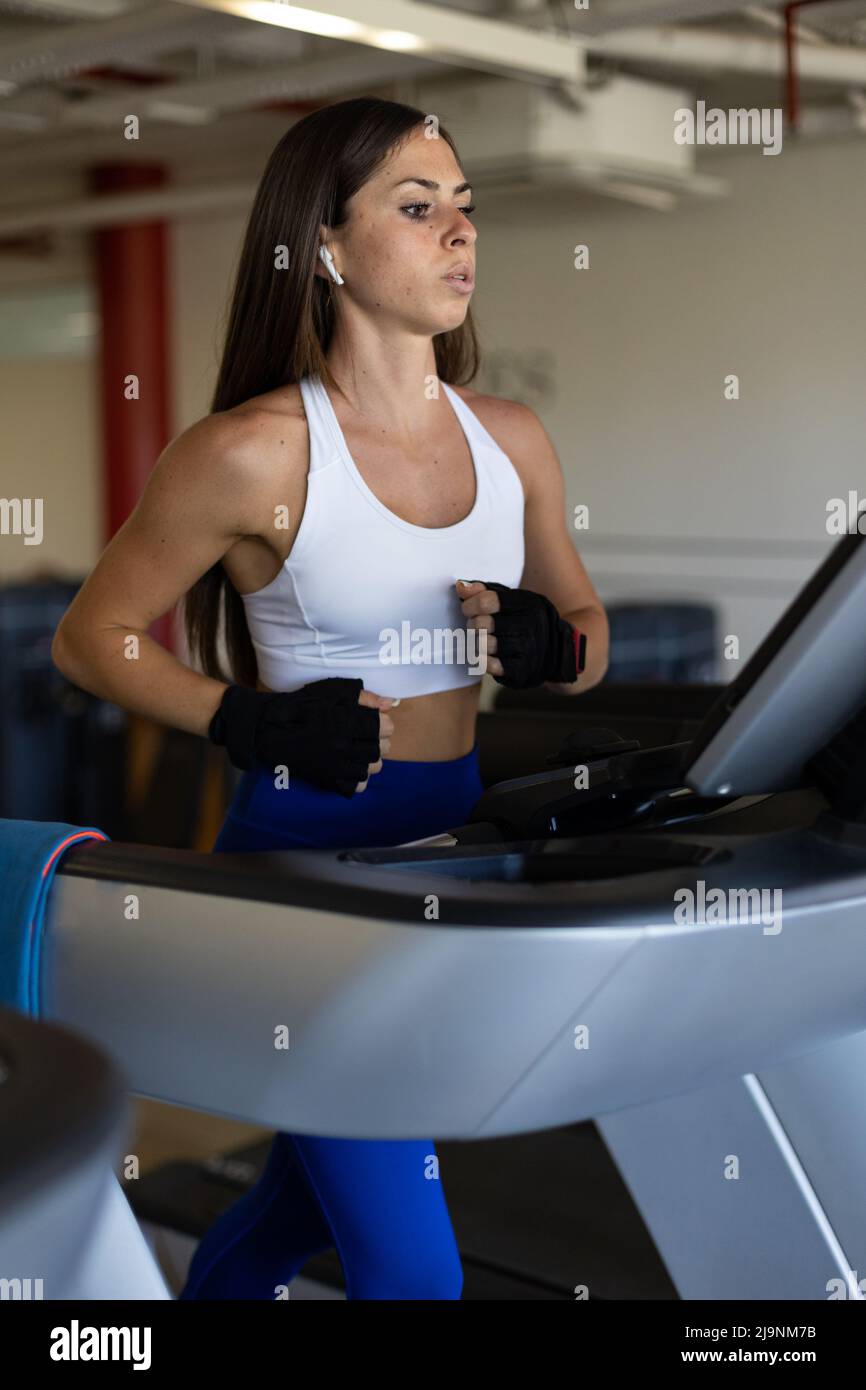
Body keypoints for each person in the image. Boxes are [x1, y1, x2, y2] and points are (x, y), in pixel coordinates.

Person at [52, 94, 609, 1300]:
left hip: (449, 860)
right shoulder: (251, 452)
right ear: (326, 246)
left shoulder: (510, 437)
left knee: (288, 1210)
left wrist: (545, 643)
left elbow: (586, 633)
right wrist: (244, 717)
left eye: (466, 210)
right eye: (418, 211)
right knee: (414, 1269)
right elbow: (91, 638)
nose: (458, 235)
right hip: (304, 883)